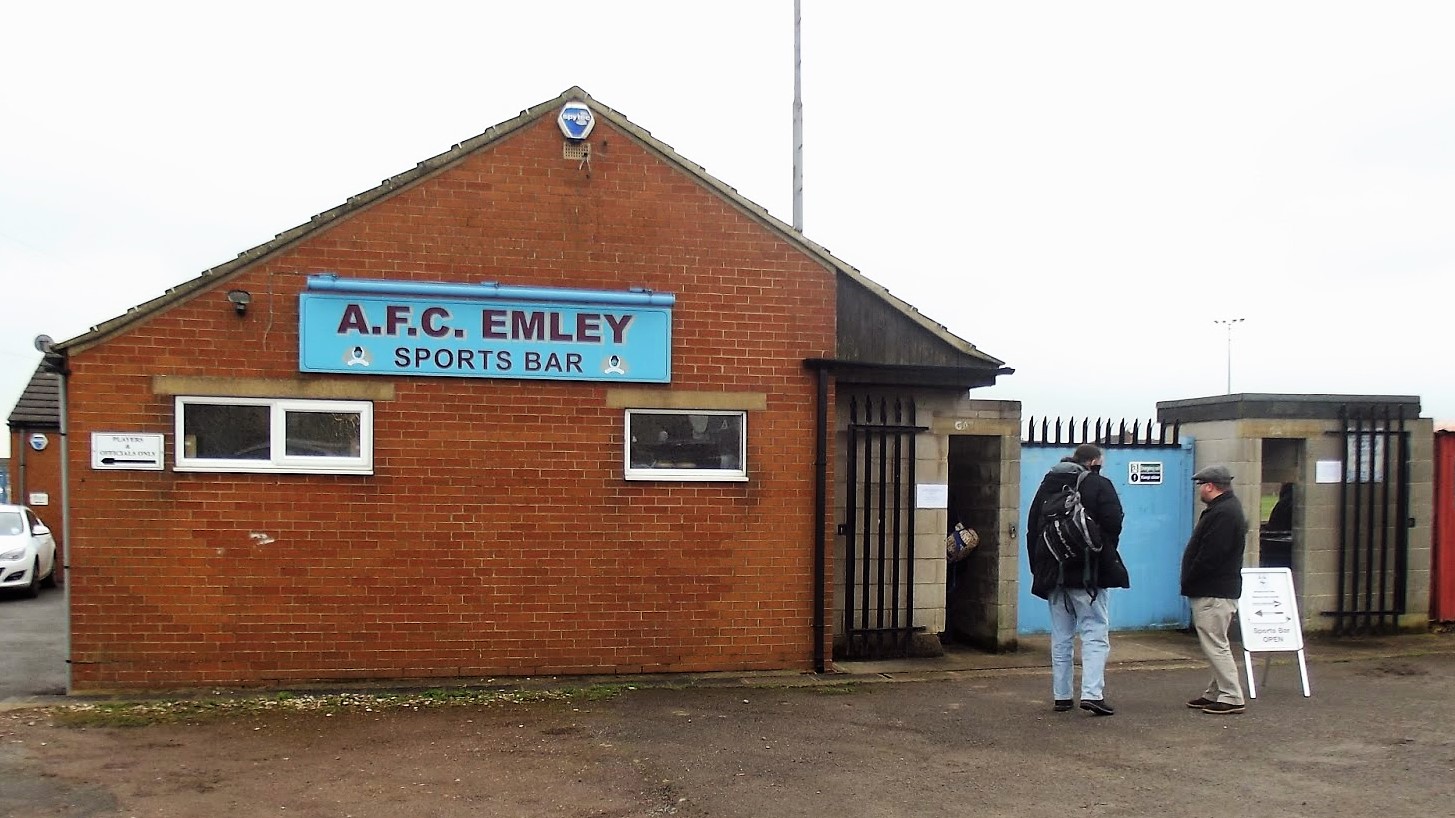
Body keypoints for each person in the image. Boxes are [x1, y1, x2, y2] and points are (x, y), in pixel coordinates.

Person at [1027, 443, 1129, 716]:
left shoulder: (1047, 485)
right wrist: (1103, 554)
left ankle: (1061, 696)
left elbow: (1032, 529)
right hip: (1088, 575)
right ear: (1095, 461)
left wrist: (1039, 570)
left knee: (1061, 636)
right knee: (1094, 632)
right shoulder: (1099, 484)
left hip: (1054, 576)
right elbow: (1113, 522)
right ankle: (1092, 694)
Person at [1181, 464, 1250, 715]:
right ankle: (1215, 692)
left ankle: (1231, 696)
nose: (1199, 489)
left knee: (1216, 644)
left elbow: (1212, 554)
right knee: (1214, 642)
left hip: (1214, 590)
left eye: (1201, 485)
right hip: (1218, 588)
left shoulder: (1223, 513)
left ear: (1210, 486)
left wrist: (1192, 574)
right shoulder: (1224, 510)